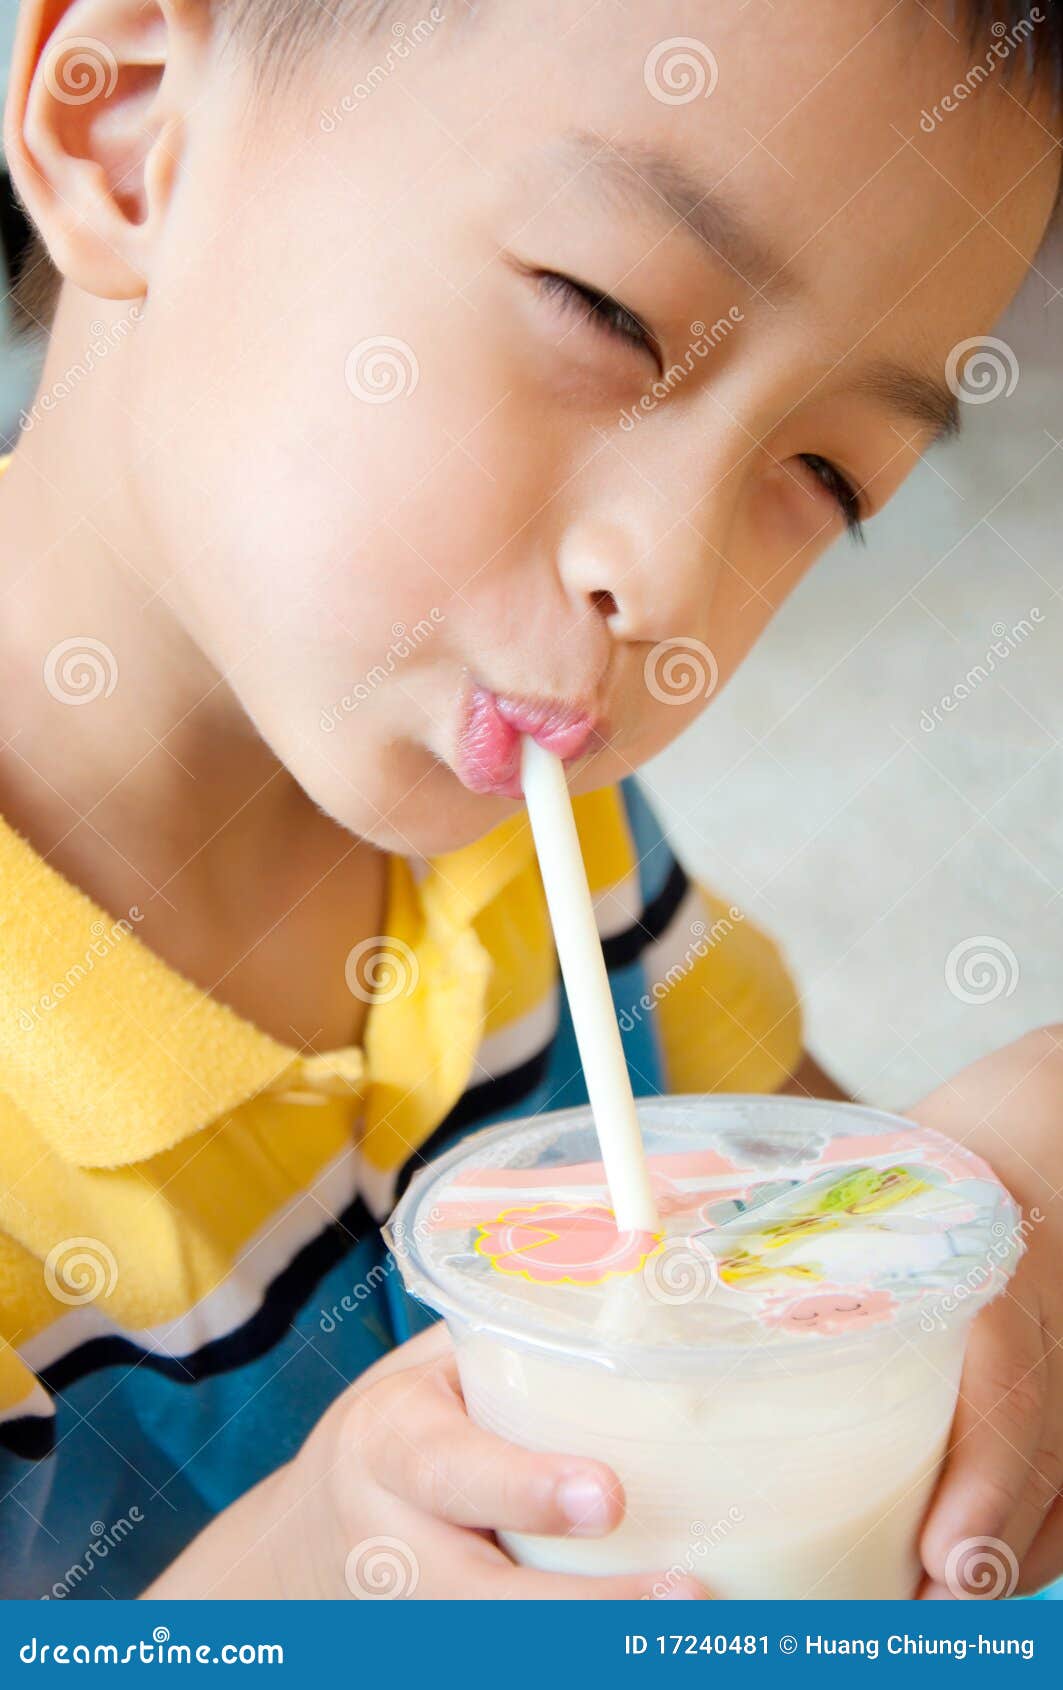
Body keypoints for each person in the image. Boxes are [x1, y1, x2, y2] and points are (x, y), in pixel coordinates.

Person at [0, 0, 1059, 1599]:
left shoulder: (529, 830)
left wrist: (1001, 1180)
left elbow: (781, 1231)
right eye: (606, 310)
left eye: (827, 478)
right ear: (124, 127)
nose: (668, 575)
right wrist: (296, 1592)